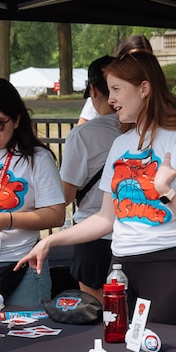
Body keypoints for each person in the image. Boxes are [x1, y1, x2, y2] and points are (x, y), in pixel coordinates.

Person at [17, 50, 176, 326]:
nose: (110, 99)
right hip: (121, 266)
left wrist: (166, 191)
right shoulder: (121, 144)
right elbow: (105, 218)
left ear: (144, 89)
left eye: (116, 89)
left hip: (170, 265)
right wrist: (51, 240)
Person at [0, 79, 65, 309]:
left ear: (17, 120)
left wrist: (8, 220)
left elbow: (56, 214)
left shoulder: (36, 158)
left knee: (28, 339)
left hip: (22, 266)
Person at [61, 57, 122, 297]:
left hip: (92, 235)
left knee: (97, 315)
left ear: (93, 90)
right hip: (133, 233)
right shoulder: (144, 131)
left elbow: (64, 195)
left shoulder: (83, 135)